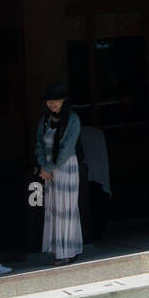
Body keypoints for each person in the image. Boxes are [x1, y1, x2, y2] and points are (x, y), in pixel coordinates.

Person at [36, 86, 83, 265]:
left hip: (66, 167)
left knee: (67, 209)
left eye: (55, 100)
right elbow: (39, 144)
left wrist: (48, 167)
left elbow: (67, 149)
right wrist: (43, 165)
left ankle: (68, 251)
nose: (52, 104)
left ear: (64, 100)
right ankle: (59, 250)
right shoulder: (45, 120)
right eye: (49, 101)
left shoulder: (73, 119)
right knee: (54, 209)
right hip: (49, 170)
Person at [80, 125, 111, 242]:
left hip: (87, 171)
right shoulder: (97, 133)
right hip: (98, 172)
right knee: (99, 202)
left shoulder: (78, 132)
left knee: (92, 203)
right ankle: (97, 232)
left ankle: (92, 233)